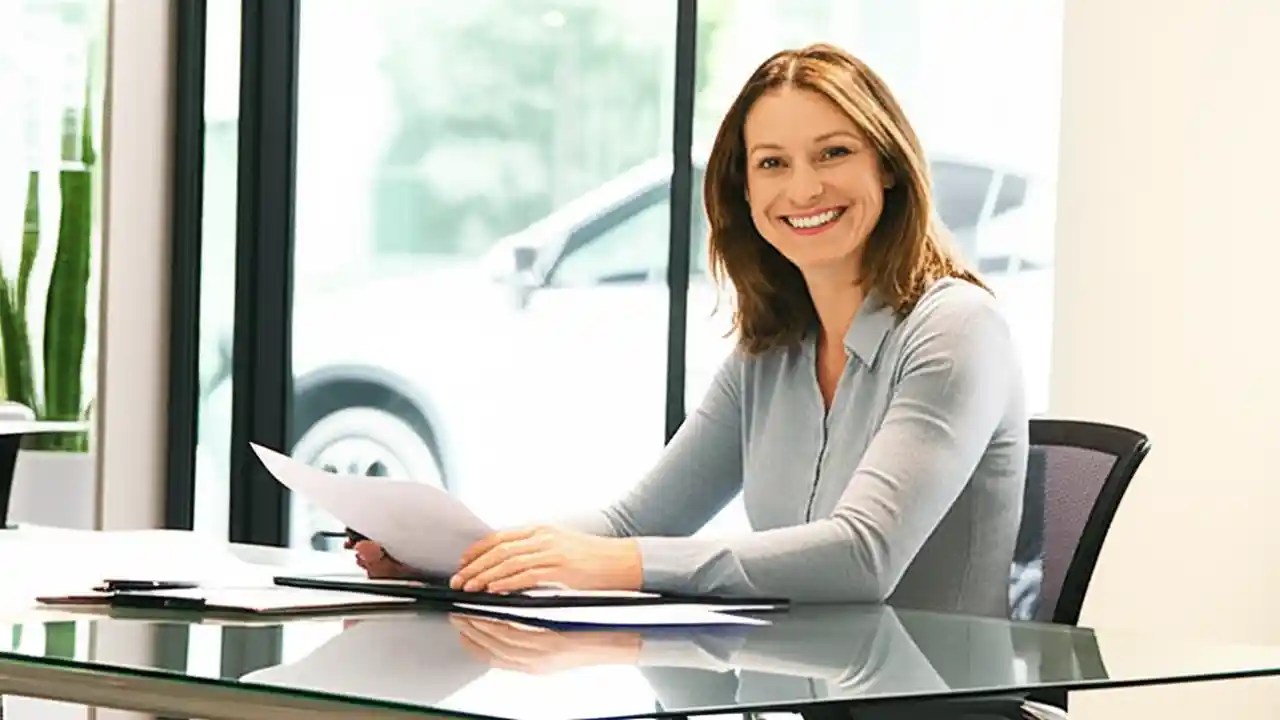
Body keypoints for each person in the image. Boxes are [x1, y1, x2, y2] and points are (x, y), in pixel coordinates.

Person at [351, 42, 1028, 619]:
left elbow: (861, 557)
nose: (802, 189)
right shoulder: (773, 348)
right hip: (794, 696)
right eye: (772, 163)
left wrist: (615, 565)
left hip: (927, 703)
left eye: (833, 153)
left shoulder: (956, 329)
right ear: (744, 190)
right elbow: (632, 524)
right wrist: (468, 559)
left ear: (887, 164)